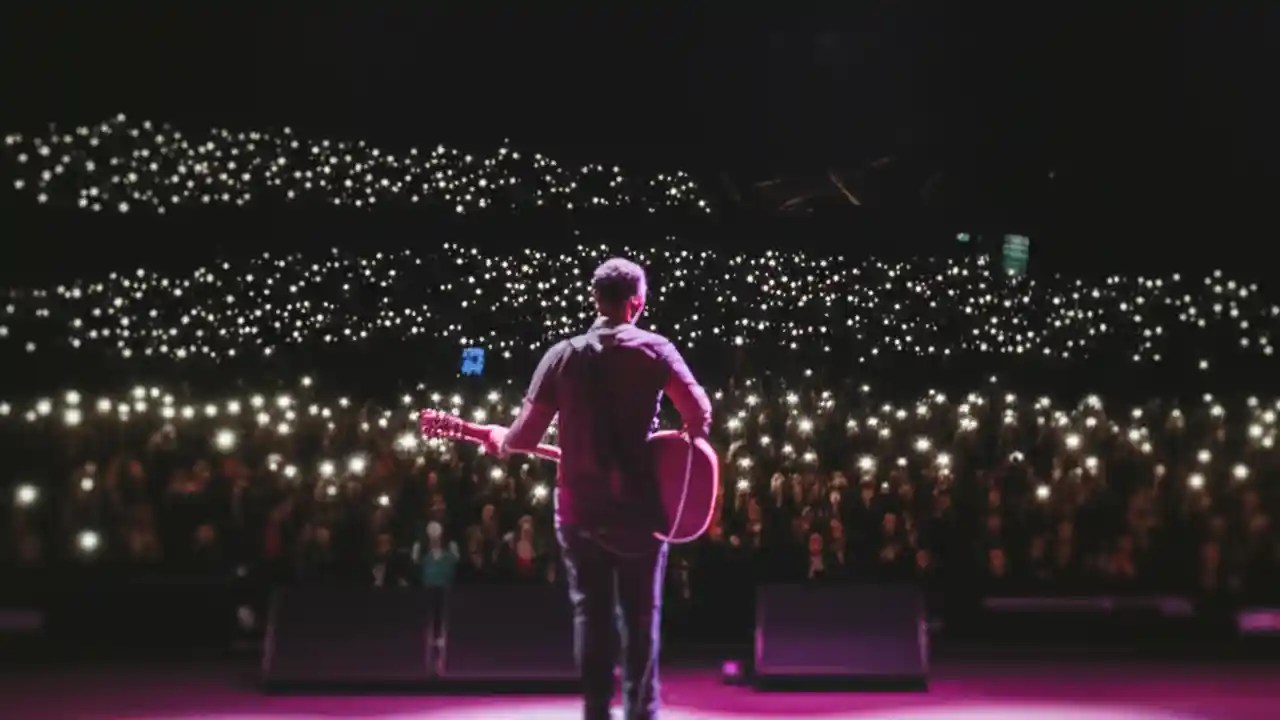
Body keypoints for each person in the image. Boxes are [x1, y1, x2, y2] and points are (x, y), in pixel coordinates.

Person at [483, 258, 712, 720]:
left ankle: (594, 712)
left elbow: (523, 438)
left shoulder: (562, 355)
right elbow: (699, 416)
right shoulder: (656, 350)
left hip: (579, 511)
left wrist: (498, 440)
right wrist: (664, 449)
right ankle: (641, 713)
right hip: (640, 514)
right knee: (641, 620)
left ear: (595, 300)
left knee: (592, 616)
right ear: (636, 303)